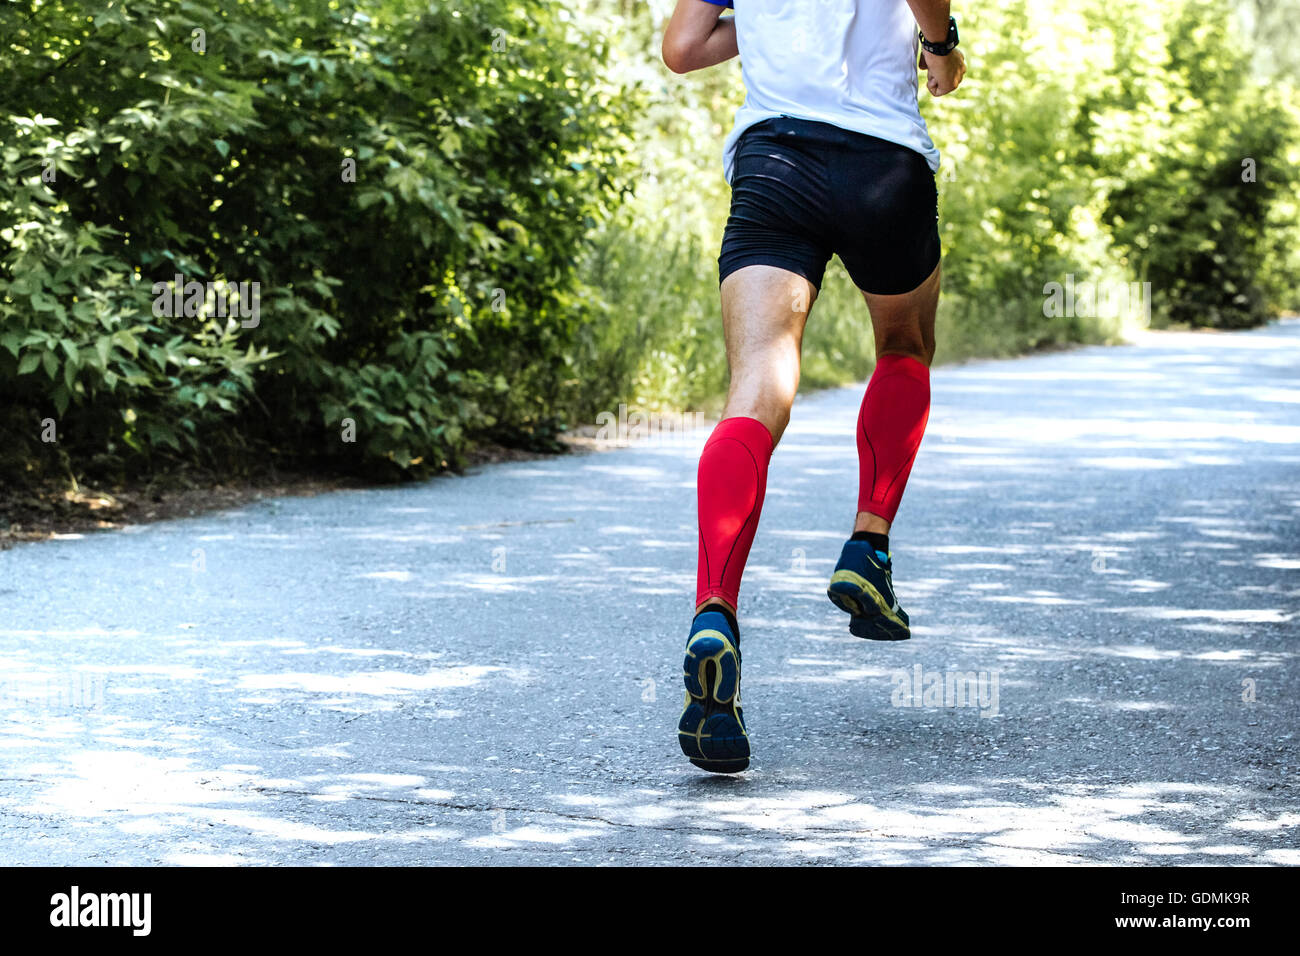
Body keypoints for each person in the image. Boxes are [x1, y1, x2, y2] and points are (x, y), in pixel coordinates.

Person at [663, 0, 967, 773]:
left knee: (757, 386)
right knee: (904, 344)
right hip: (882, 162)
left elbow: (684, 47)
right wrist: (942, 48)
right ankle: (868, 545)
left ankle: (714, 611)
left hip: (775, 162)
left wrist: (767, 25)